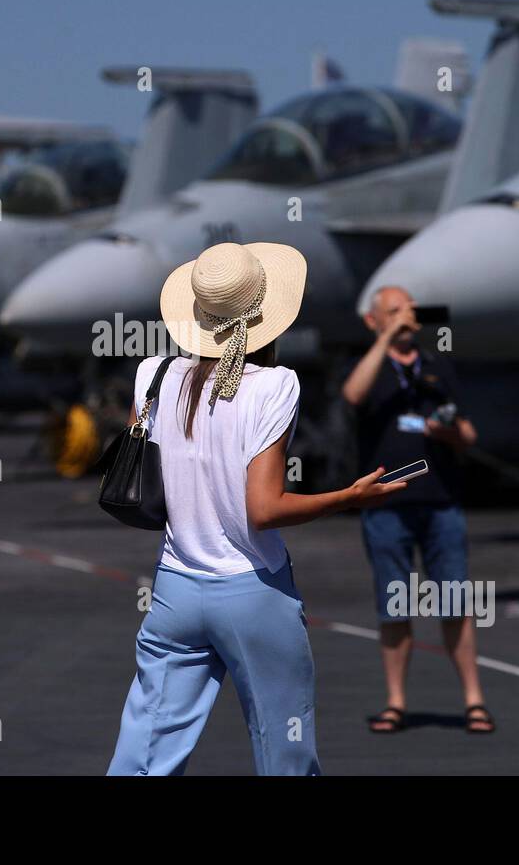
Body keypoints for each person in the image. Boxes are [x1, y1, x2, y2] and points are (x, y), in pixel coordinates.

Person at [107, 242, 407, 776]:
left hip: (174, 587)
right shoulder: (274, 385)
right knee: (283, 750)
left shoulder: (151, 373)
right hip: (252, 591)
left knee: (144, 755)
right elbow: (264, 509)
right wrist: (349, 497)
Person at [341, 285, 494, 734]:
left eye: (409, 311)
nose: (406, 319)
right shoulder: (370, 366)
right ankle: (396, 702)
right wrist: (387, 340)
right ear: (373, 321)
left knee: (454, 602)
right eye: (393, 312)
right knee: (394, 605)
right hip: (386, 504)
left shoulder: (437, 366)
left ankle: (473, 699)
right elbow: (353, 396)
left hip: (440, 502)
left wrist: (448, 433)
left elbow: (468, 433)